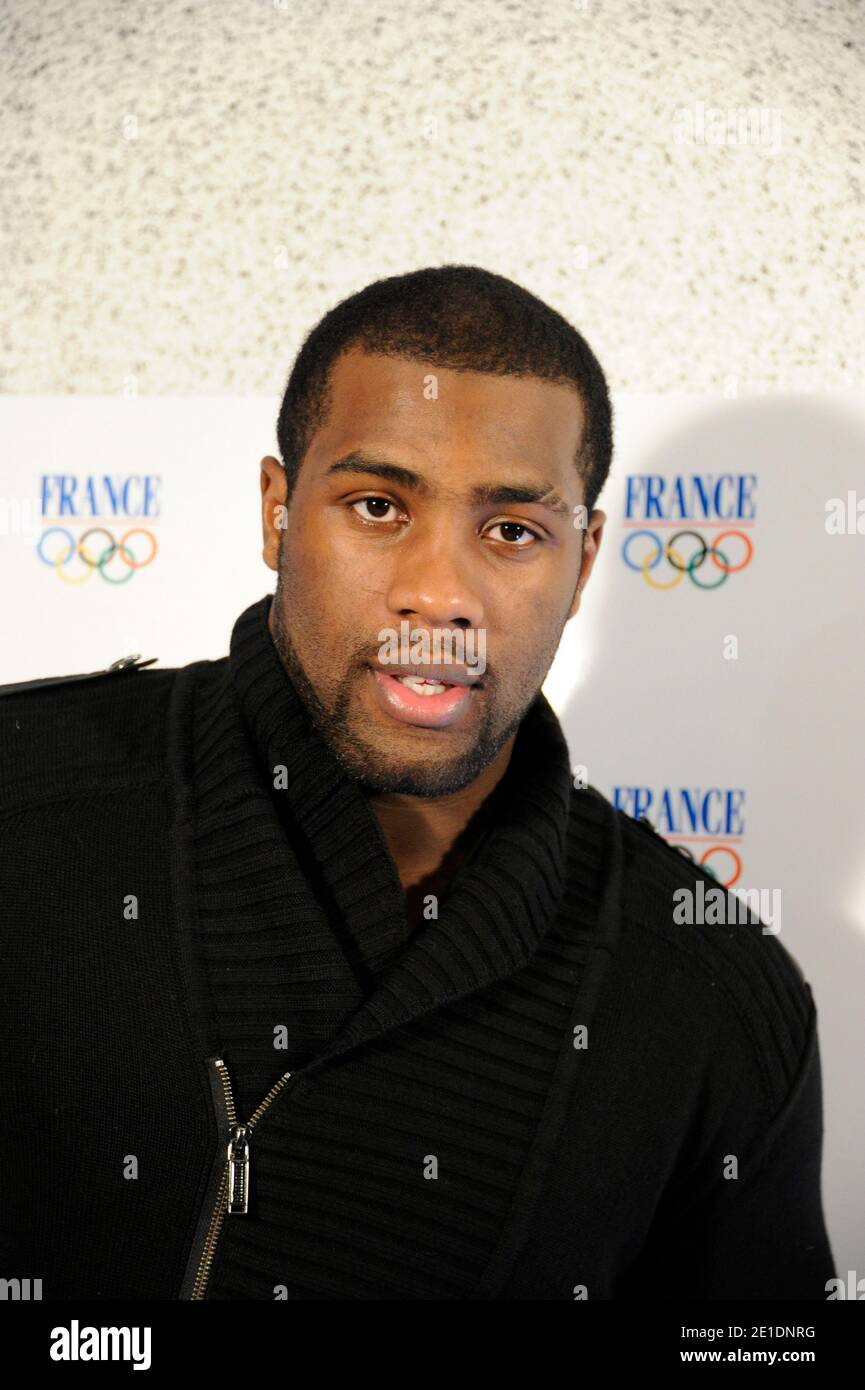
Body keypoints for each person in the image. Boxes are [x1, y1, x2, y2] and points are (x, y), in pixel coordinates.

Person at [0, 265, 835, 1300]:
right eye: (378, 505)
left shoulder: (718, 998)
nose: (438, 592)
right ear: (276, 512)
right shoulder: (22, 801)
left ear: (581, 568)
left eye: (513, 531)